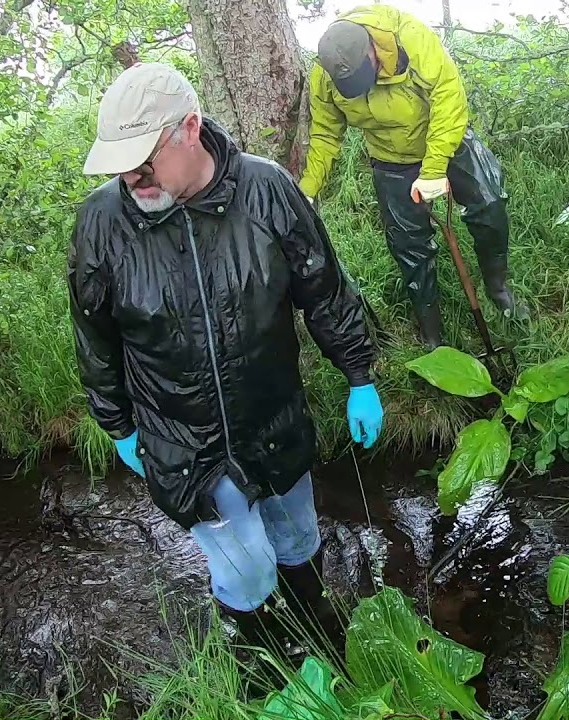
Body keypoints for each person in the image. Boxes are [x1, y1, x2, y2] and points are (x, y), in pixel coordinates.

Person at [67, 62, 383, 658]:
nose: (131, 177)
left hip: (273, 416)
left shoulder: (265, 189)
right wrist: (119, 425)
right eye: (121, 165)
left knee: (297, 539)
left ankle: (316, 640)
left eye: (144, 159)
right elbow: (94, 332)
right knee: (246, 571)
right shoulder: (103, 224)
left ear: (189, 129)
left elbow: (323, 287)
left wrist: (358, 374)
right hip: (183, 440)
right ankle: (259, 671)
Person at [300, 4, 526, 349]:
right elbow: (326, 134)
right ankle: (432, 333)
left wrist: (434, 168)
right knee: (409, 246)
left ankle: (498, 289)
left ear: (373, 51)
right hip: (391, 159)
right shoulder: (325, 75)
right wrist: (308, 189)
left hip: (446, 136)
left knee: (490, 204)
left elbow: (448, 97)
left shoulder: (410, 38)